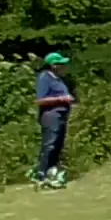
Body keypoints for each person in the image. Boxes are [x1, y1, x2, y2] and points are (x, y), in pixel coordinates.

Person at [32, 52, 75, 189]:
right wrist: (61, 99)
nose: (64, 66)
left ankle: (52, 173)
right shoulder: (45, 78)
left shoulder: (59, 79)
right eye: (61, 64)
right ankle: (41, 174)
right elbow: (40, 100)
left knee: (58, 145)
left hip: (61, 115)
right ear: (53, 65)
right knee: (49, 144)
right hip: (50, 116)